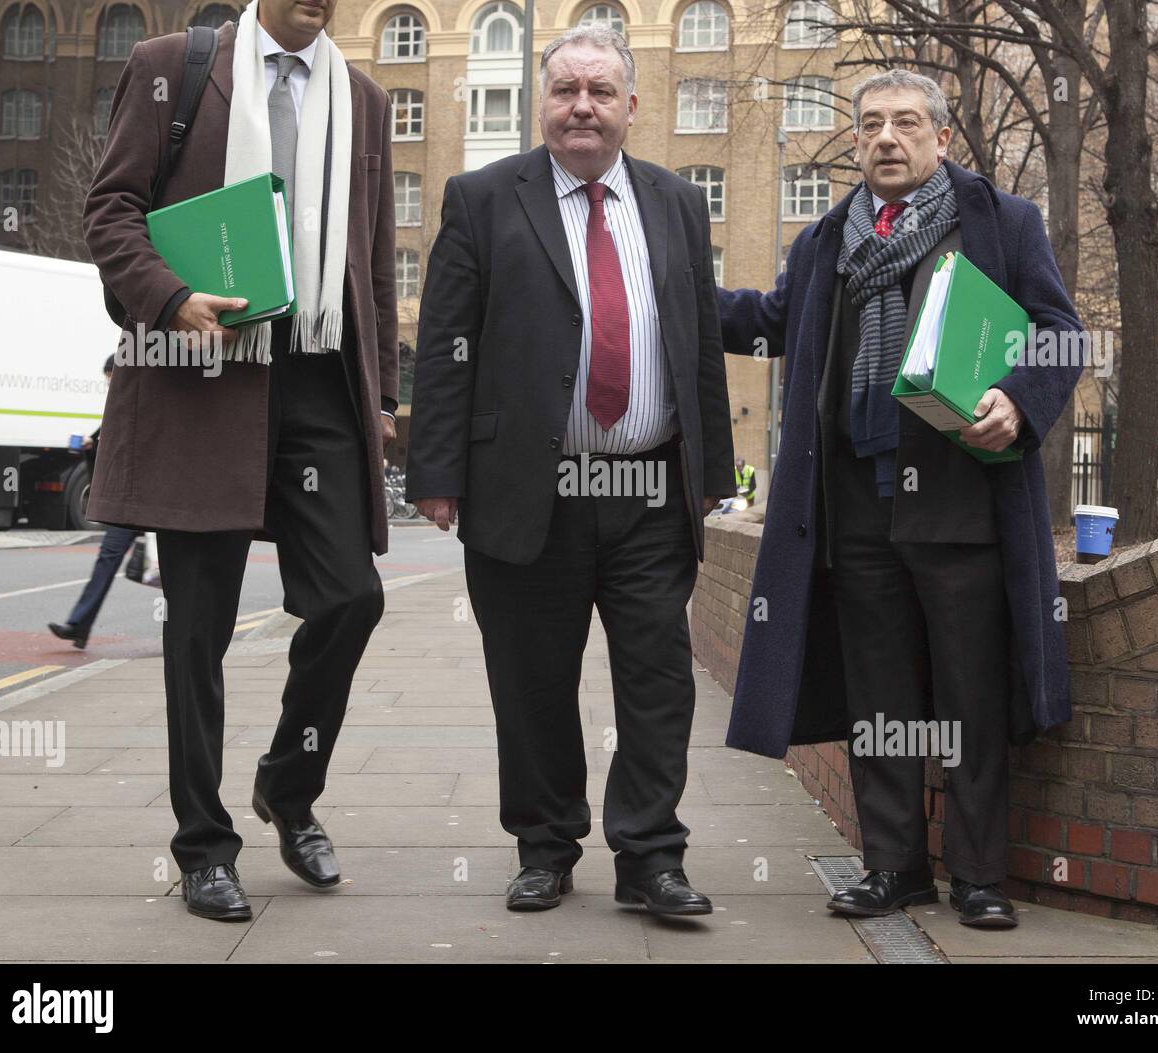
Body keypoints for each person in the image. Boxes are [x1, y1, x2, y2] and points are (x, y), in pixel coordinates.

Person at [718, 69, 1083, 929]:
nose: (887, 137)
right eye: (871, 124)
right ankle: (894, 866)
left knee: (970, 694)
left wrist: (1021, 400)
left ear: (942, 138)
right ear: (854, 140)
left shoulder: (1001, 221)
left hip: (959, 501)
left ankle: (981, 875)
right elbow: (771, 320)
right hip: (854, 508)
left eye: (907, 123)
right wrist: (674, 287)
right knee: (880, 696)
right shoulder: (824, 242)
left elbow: (1060, 330)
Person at [407, 25, 735, 916]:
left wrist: (714, 467)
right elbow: (443, 345)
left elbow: (699, 342)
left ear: (632, 106)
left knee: (657, 678)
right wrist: (435, 468)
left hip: (648, 486)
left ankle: (650, 856)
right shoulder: (480, 198)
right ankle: (546, 845)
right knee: (532, 679)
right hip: (529, 488)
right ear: (541, 102)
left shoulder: (675, 202)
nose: (581, 105)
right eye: (565, 91)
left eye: (600, 91)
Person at [82, 0, 399, 921]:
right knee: (199, 627)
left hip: (316, 384)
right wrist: (170, 297)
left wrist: (378, 394)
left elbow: (372, 259)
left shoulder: (364, 100)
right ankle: (202, 846)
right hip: (202, 372)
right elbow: (109, 210)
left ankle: (288, 787)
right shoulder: (171, 67)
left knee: (352, 596)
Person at [49, 356, 139, 649]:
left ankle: (182, 631)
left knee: (172, 570)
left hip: (153, 500)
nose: (109, 384)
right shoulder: (117, 407)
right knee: (106, 559)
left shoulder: (141, 400)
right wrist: (93, 446)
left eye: (111, 378)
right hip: (126, 502)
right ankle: (78, 626)